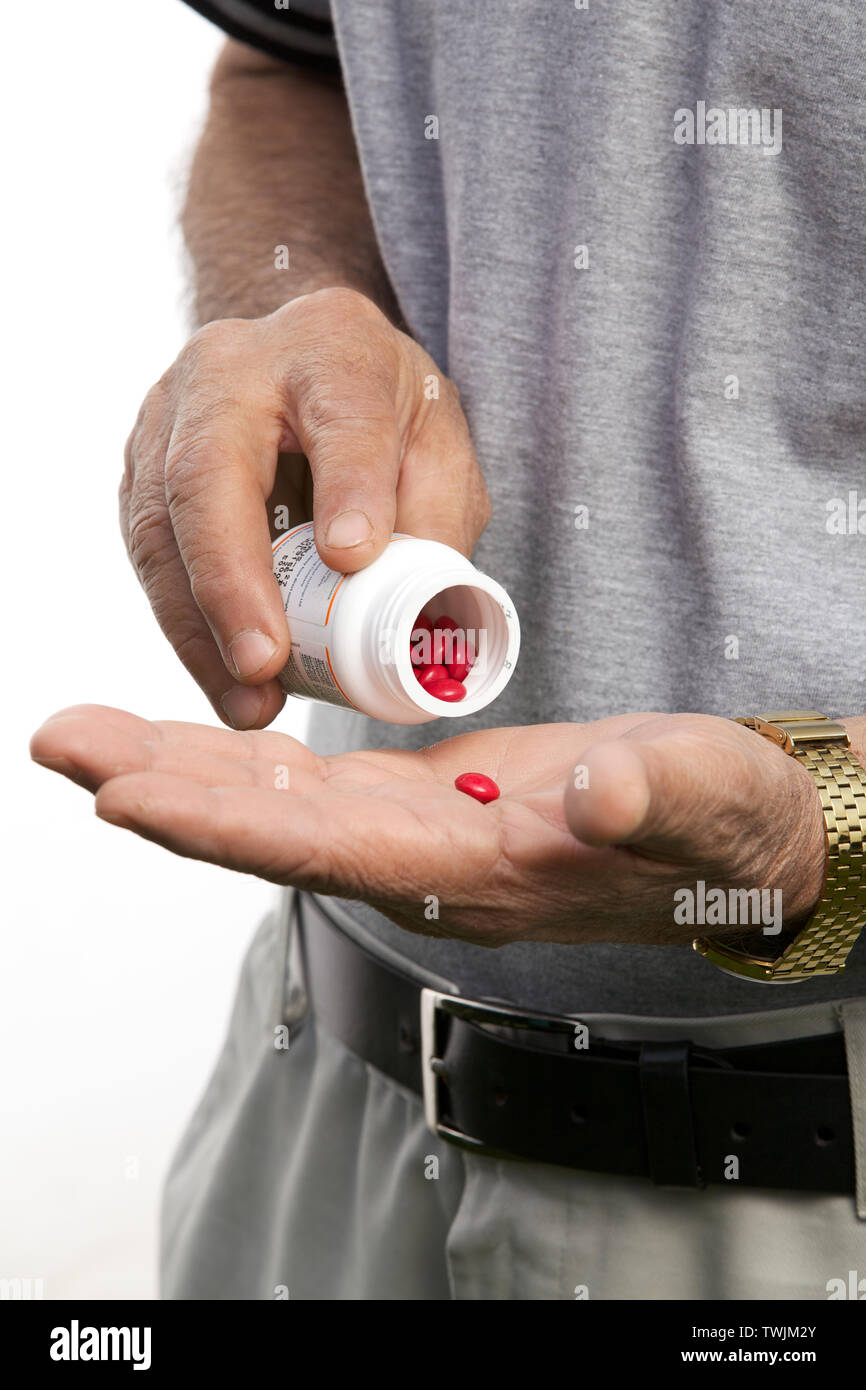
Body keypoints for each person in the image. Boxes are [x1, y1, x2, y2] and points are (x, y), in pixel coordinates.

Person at [31, 1, 866, 1299]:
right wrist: (296, 303)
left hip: (805, 1194)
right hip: (329, 1103)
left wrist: (825, 833)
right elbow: (290, 64)